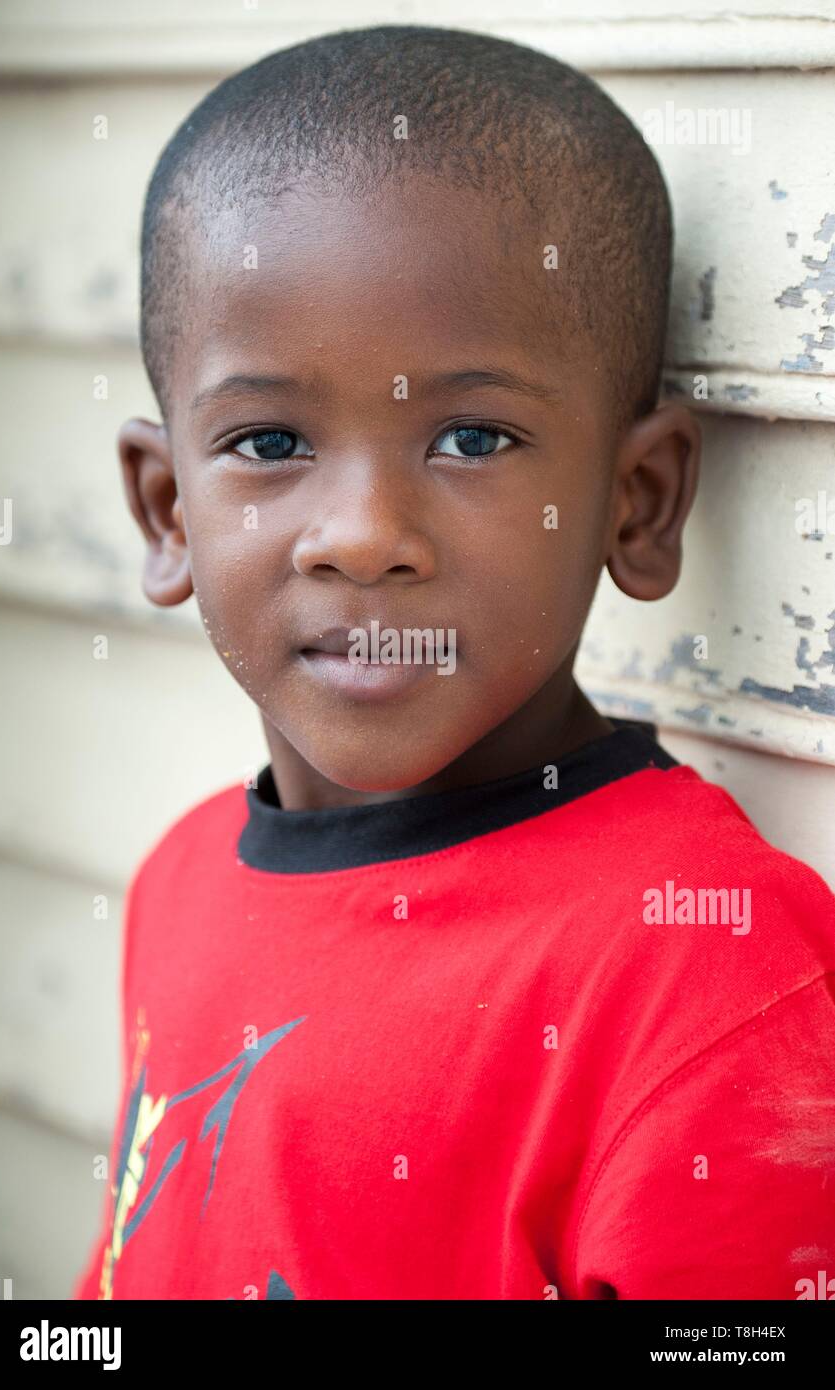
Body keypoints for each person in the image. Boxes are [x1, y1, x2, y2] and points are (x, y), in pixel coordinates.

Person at [73, 25, 835, 1300]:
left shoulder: (707, 973)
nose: (364, 536)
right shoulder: (176, 881)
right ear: (166, 514)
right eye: (268, 442)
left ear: (634, 501)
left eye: (472, 436)